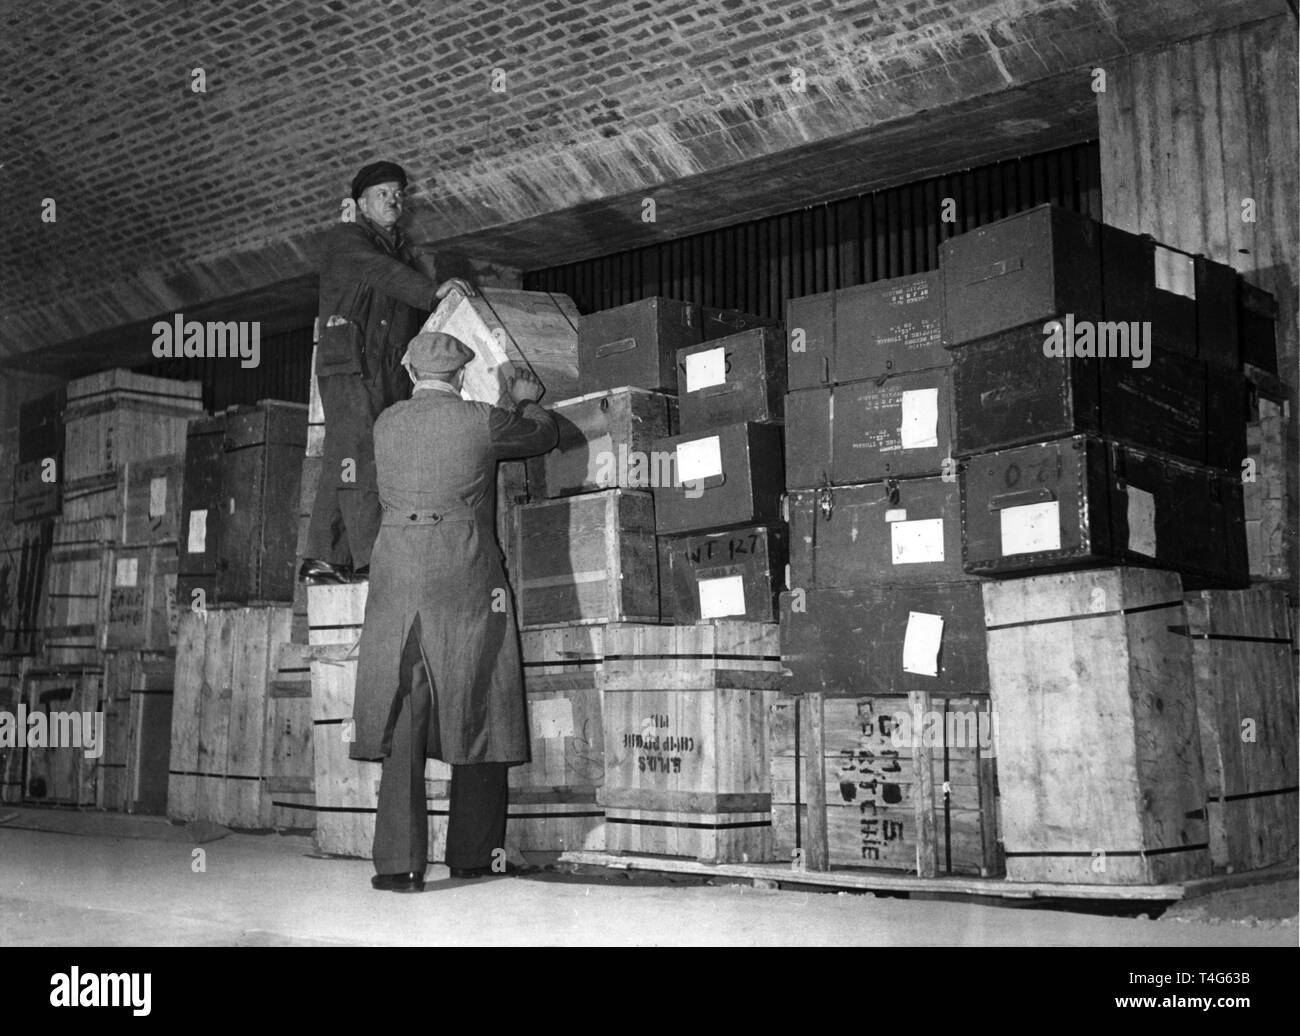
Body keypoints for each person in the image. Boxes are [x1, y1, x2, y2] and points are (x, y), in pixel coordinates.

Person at [350, 331, 558, 892]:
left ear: (412, 374)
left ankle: (400, 866)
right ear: (462, 376)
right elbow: (542, 434)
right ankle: (474, 857)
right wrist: (522, 397)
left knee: (404, 711)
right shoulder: (479, 419)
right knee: (481, 698)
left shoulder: (385, 423)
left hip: (396, 573)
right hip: (462, 572)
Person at [302, 160, 474, 584]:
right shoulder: (348, 239)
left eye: (398, 193)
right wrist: (431, 291)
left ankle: (324, 557)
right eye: (383, 194)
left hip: (386, 369)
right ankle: (370, 559)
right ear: (361, 204)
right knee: (362, 454)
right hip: (350, 365)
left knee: (344, 457)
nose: (393, 199)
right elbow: (381, 274)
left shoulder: (402, 252)